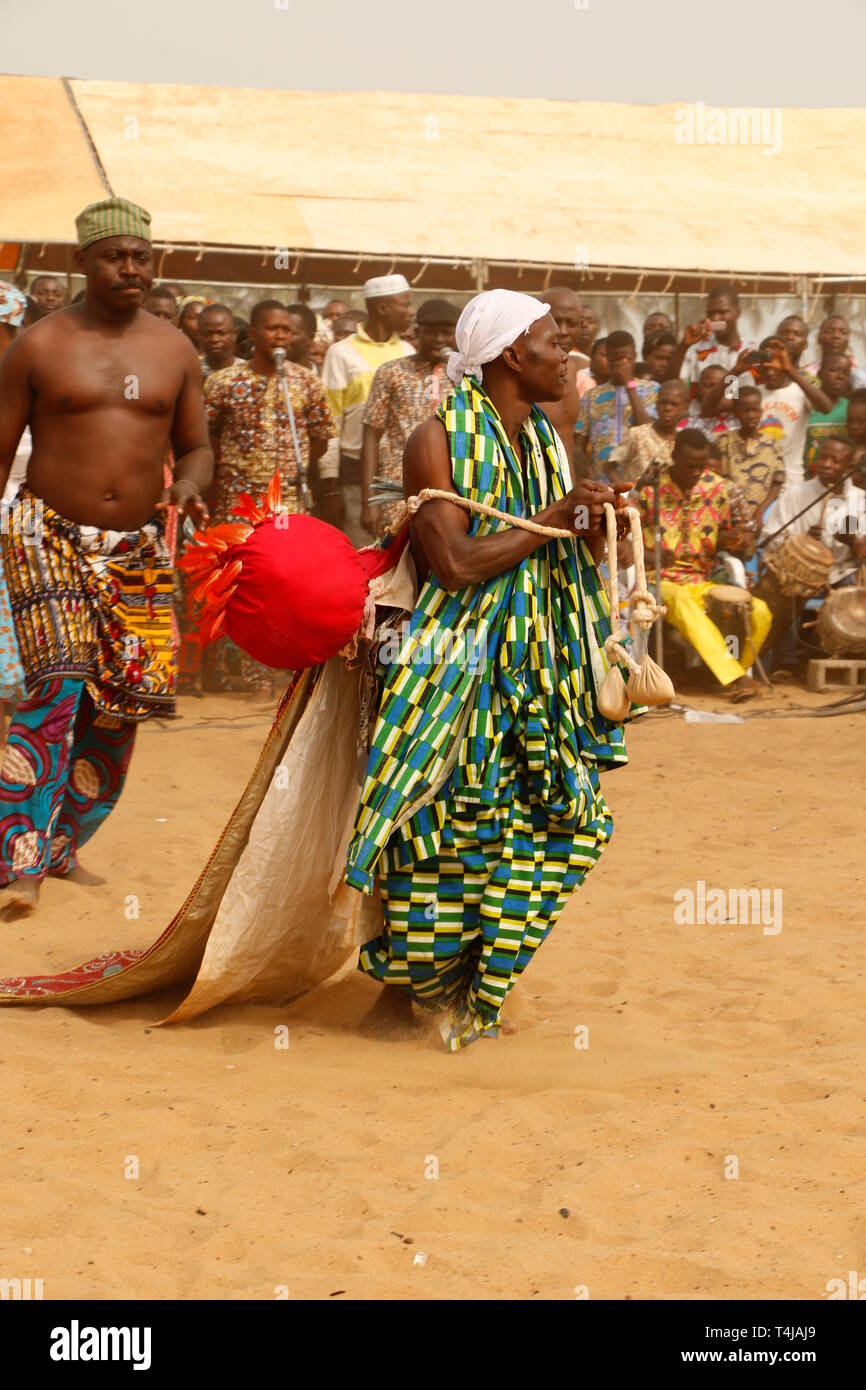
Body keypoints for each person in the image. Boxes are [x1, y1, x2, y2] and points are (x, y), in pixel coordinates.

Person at [346, 288, 633, 1049]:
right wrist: (552, 520)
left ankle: (470, 992)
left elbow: (564, 554)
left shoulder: (546, 440)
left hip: (535, 668)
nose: (567, 353)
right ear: (512, 354)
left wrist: (591, 520)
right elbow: (453, 566)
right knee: (438, 834)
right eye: (552, 340)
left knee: (558, 824)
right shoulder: (433, 441)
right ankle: (406, 993)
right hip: (453, 668)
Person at [0, 196, 212, 918]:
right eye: (116, 256)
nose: (132, 269)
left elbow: (198, 446)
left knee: (122, 704)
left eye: (142, 257)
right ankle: (19, 859)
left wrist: (186, 485)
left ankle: (64, 845)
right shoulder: (37, 345)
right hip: (45, 533)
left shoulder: (174, 349)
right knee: (56, 687)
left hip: (137, 549)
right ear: (82, 262)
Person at [202, 299, 335, 693]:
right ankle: (222, 668)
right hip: (235, 498)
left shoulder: (306, 380)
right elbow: (205, 435)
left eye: (286, 330)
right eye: (272, 328)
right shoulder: (223, 381)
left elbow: (320, 438)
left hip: (287, 502)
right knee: (232, 578)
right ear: (253, 334)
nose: (281, 335)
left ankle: (272, 667)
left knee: (280, 582)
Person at [634, 428, 770, 700]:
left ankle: (724, 675)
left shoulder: (719, 488)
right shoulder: (650, 488)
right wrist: (651, 556)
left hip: (701, 579)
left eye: (701, 466)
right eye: (689, 466)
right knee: (682, 601)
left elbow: (733, 536)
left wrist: (737, 541)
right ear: (674, 456)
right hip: (659, 580)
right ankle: (734, 677)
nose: (696, 473)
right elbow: (626, 537)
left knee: (760, 611)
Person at [756, 436, 866, 668]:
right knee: (789, 586)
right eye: (823, 457)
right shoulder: (797, 494)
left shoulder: (860, 500)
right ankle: (785, 662)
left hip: (841, 572)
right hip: (800, 574)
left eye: (836, 461)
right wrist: (801, 539)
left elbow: (862, 548)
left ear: (848, 468)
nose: (827, 464)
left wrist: (854, 541)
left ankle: (841, 655)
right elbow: (770, 539)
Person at [320, 275, 413, 546]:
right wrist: (330, 487)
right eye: (405, 305)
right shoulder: (341, 353)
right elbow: (331, 423)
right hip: (353, 474)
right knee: (362, 556)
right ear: (383, 308)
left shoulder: (408, 351)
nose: (410, 312)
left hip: (400, 475)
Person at [360, 297, 459, 536]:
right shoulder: (391, 372)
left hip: (451, 488)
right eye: (430, 332)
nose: (438, 339)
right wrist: (368, 501)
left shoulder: (466, 376)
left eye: (446, 333)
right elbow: (371, 436)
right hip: (397, 488)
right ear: (416, 332)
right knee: (394, 558)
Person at [734, 337, 833, 491]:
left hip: (791, 482)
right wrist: (734, 371)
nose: (771, 371)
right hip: (756, 480)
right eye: (766, 366)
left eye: (777, 364)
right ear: (758, 367)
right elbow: (719, 403)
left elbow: (826, 407)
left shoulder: (800, 391)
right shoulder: (753, 395)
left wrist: (790, 370)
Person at [575, 329, 658, 480]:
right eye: (615, 359)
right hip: (603, 485)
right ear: (609, 359)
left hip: (640, 484)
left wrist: (629, 385)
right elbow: (578, 446)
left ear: (634, 357)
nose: (621, 364)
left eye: (626, 359)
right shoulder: (592, 397)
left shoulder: (652, 390)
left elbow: (647, 431)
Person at [716, 385, 785, 528]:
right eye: (745, 411)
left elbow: (777, 482)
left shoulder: (772, 445)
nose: (751, 415)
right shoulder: (724, 441)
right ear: (735, 412)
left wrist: (761, 511)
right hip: (730, 514)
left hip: (763, 514)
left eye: (755, 410)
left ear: (761, 411)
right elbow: (718, 477)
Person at [535, 287, 588, 474]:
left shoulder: (572, 369)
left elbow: (567, 444)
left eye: (571, 323)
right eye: (556, 321)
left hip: (566, 488)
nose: (563, 331)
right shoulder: (525, 373)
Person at [668, 283, 755, 391]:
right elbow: (670, 385)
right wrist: (683, 346)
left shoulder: (752, 351)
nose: (716, 318)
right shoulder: (696, 350)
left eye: (722, 312)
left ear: (737, 312)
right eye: (711, 313)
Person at [608, 378, 689, 487]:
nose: (667, 408)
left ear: (685, 408)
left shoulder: (685, 441)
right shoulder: (638, 434)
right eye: (663, 403)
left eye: (674, 404)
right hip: (636, 501)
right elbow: (609, 467)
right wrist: (627, 493)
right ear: (656, 404)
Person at [803, 352, 851, 474]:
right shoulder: (806, 405)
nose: (841, 376)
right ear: (819, 374)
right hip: (807, 479)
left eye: (846, 373)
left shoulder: (851, 408)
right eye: (834, 370)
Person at [687, 364, 736, 438]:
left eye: (722, 386)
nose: (715, 391)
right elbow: (708, 406)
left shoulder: (740, 420)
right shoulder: (688, 424)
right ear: (698, 389)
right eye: (709, 385)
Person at [198, 303, 241, 377]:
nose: (214, 339)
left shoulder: (247, 372)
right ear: (199, 335)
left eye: (221, 333)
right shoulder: (193, 371)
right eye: (208, 334)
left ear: (234, 334)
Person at [283, 302, 319, 372]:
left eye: (291, 333)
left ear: (311, 337)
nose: (281, 336)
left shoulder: (324, 377)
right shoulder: (267, 378)